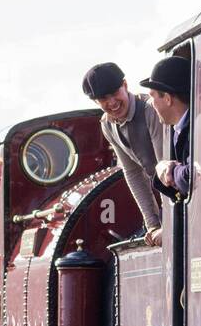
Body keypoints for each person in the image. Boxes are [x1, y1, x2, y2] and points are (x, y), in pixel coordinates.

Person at [82, 61, 164, 247]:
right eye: (103, 98)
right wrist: (152, 224)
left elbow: (165, 165)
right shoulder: (107, 125)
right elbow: (133, 173)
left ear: (125, 85)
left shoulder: (150, 109)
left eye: (114, 93)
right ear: (96, 101)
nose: (111, 103)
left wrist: (169, 224)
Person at [144, 56, 193, 219]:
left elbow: (196, 173)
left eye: (152, 96)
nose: (151, 103)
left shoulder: (196, 127)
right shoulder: (176, 129)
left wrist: (170, 170)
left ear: (167, 98)